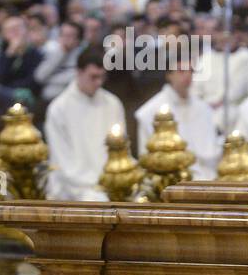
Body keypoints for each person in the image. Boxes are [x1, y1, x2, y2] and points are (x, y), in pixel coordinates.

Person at [43, 46, 126, 201]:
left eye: (102, 77)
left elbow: (121, 151)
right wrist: (96, 185)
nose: (99, 82)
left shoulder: (113, 103)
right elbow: (63, 163)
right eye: (93, 77)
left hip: (110, 183)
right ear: (78, 72)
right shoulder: (59, 108)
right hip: (72, 188)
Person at [135, 49, 224, 180]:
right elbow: (146, 157)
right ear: (169, 75)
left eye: (191, 71)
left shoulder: (203, 108)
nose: (188, 76)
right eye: (181, 71)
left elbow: (212, 150)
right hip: (170, 178)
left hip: (207, 176)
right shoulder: (151, 111)